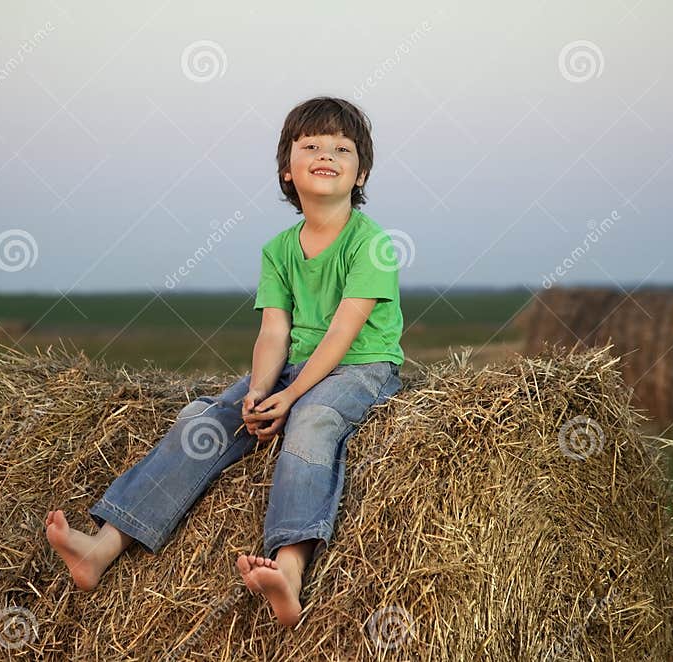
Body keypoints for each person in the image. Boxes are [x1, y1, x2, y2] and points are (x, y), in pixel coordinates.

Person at [45, 95, 404, 627]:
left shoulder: (371, 244)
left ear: (361, 172)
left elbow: (343, 332)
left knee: (311, 422)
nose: (325, 154)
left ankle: (289, 570)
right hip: (289, 368)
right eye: (311, 145)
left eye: (341, 148)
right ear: (288, 168)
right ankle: (103, 545)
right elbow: (273, 331)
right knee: (204, 420)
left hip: (361, 366)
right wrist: (259, 393)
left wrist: (291, 396)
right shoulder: (278, 250)